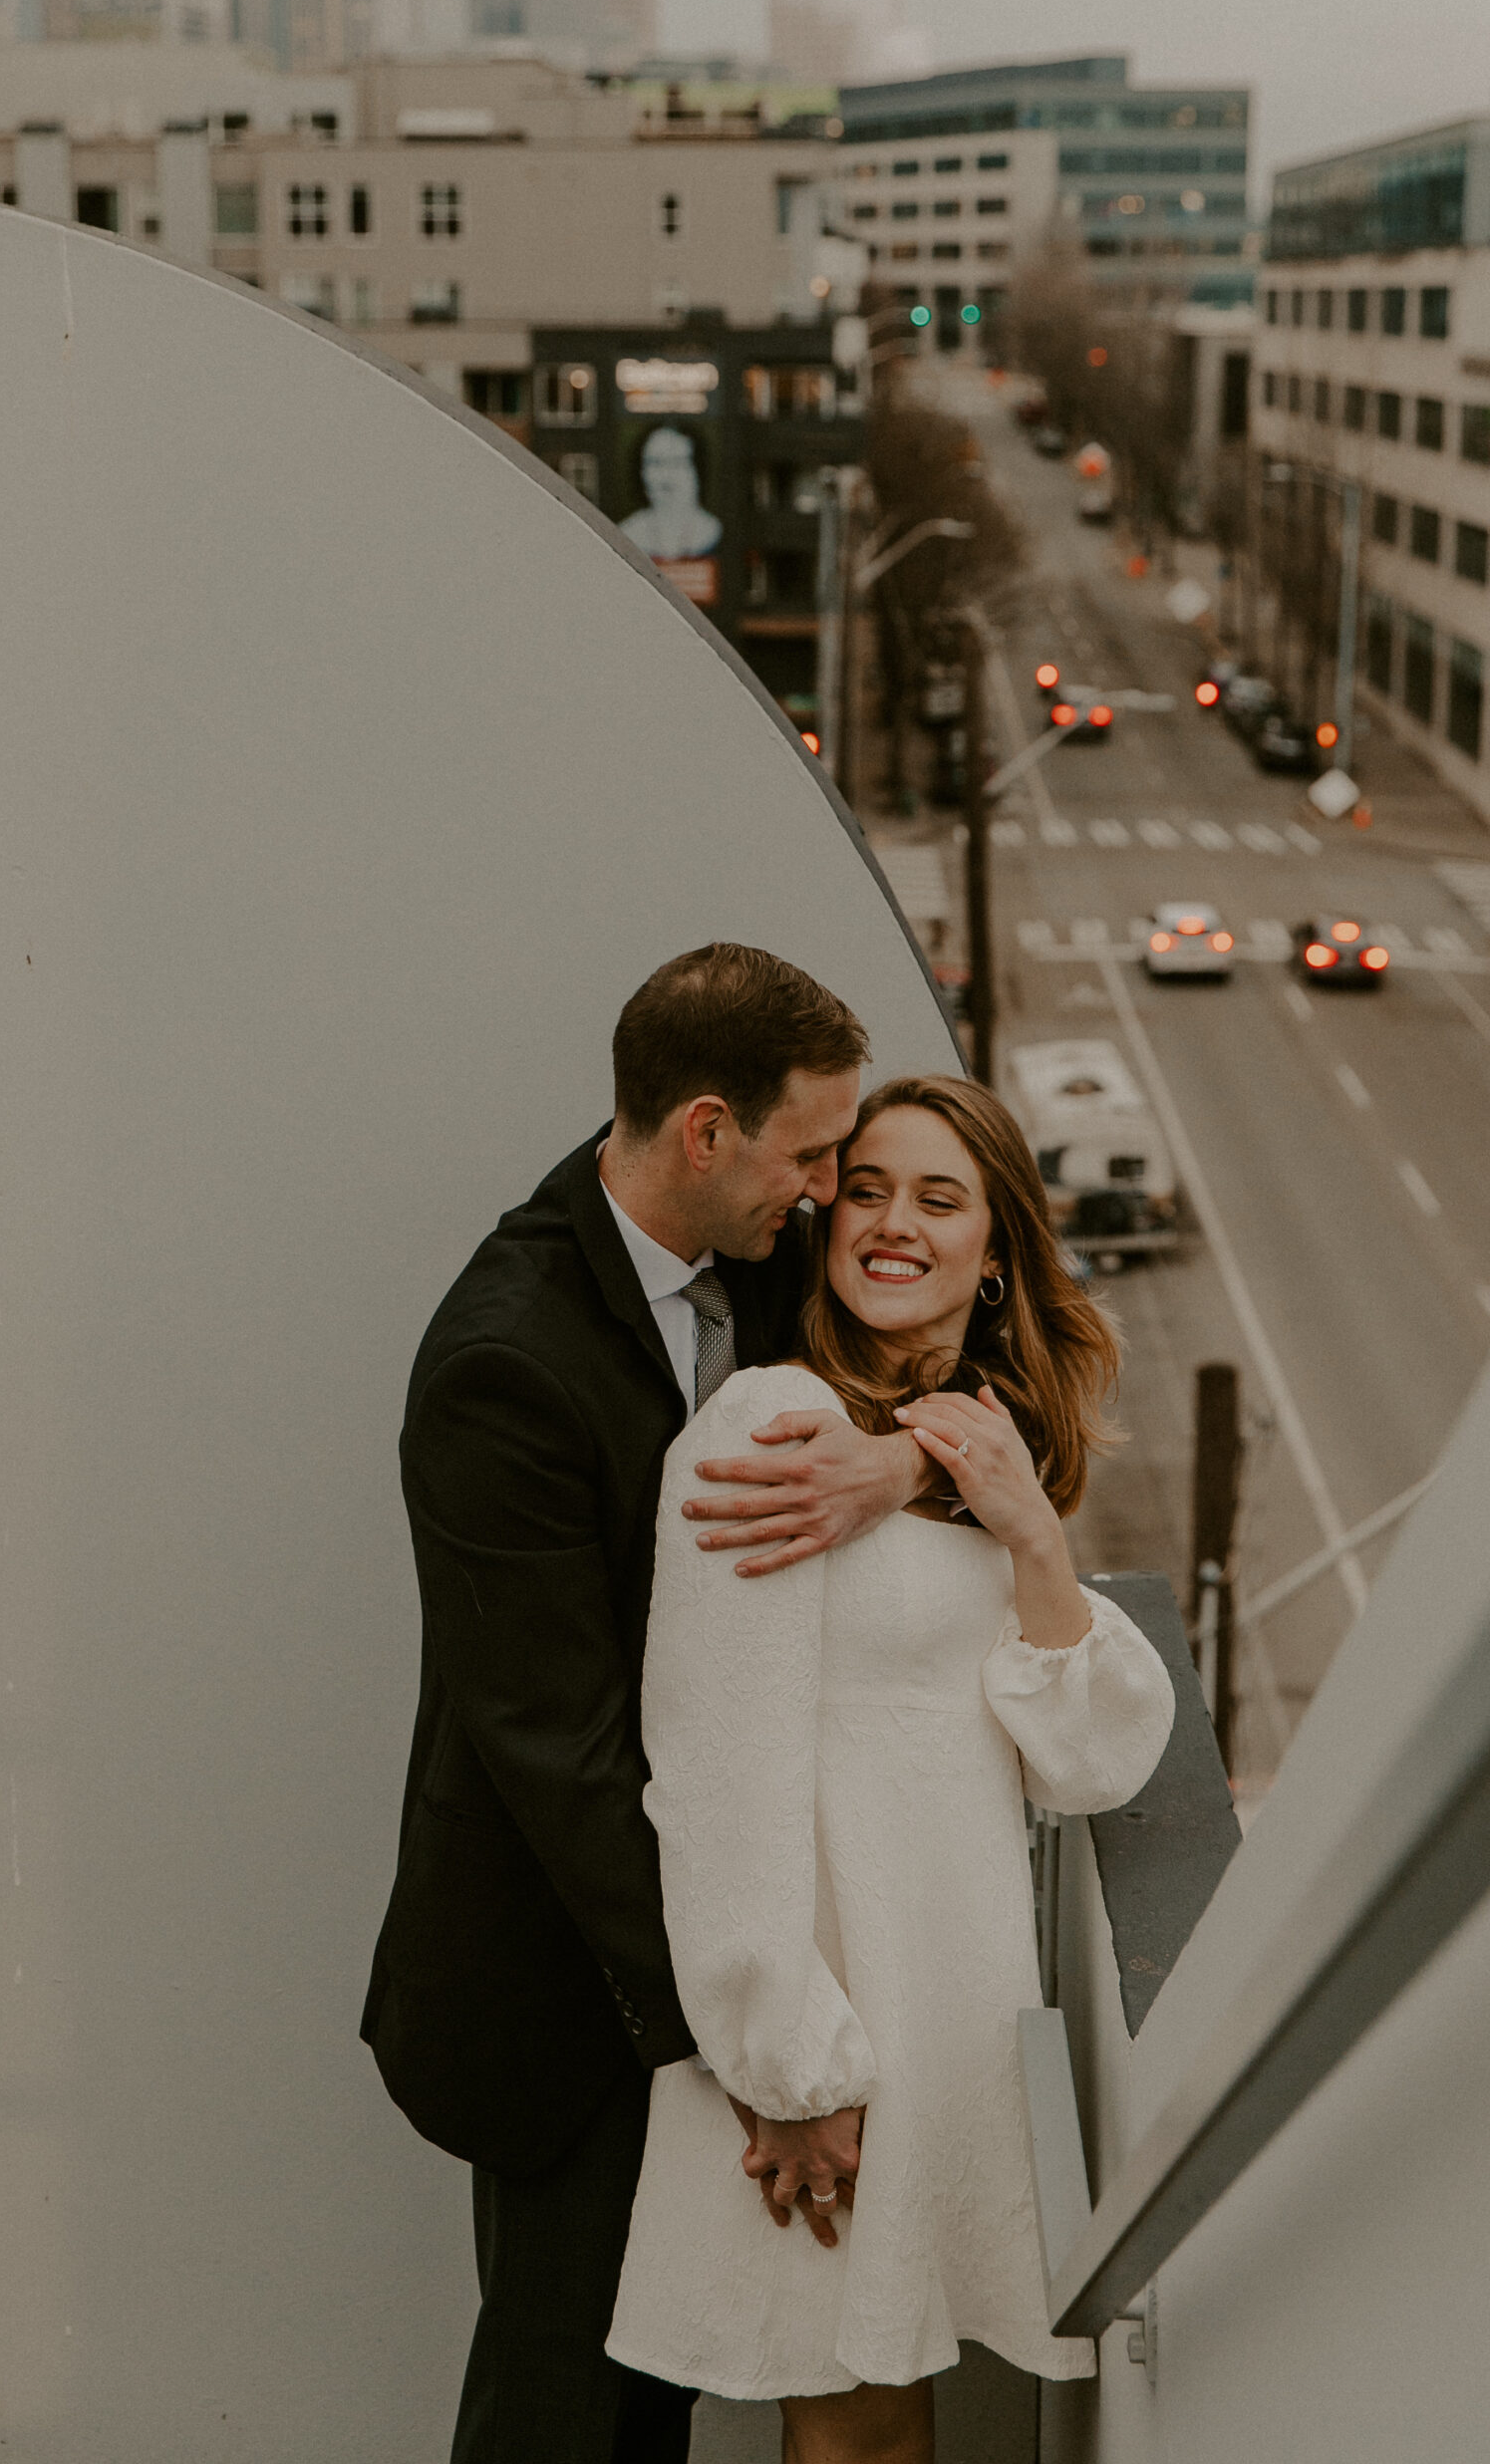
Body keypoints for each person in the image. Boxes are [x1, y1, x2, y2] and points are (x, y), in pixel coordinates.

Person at [361, 945, 944, 2464]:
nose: (828, 1192)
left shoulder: (760, 1260)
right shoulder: (503, 1360)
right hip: (574, 1986)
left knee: (669, 2399)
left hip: (720, 1952)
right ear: (704, 1130)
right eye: (812, 1152)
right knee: (570, 2412)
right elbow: (557, 1754)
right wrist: (751, 2052)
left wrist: (902, 1463)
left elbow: (981, 1355)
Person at [606, 1075, 1177, 2460]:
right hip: (829, 2014)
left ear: (996, 1254)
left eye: (937, 1199)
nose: (889, 1224)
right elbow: (710, 1775)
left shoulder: (980, 1451)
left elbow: (1091, 1761)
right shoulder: (767, 1431)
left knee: (890, 2414)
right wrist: (790, 2067)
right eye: (864, 1189)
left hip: (948, 2008)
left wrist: (1029, 1536)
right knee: (851, 2422)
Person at [619, 424, 724, 558]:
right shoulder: (629, 531)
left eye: (678, 463)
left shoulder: (713, 530)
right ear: (641, 471)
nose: (666, 476)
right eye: (656, 463)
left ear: (697, 470)